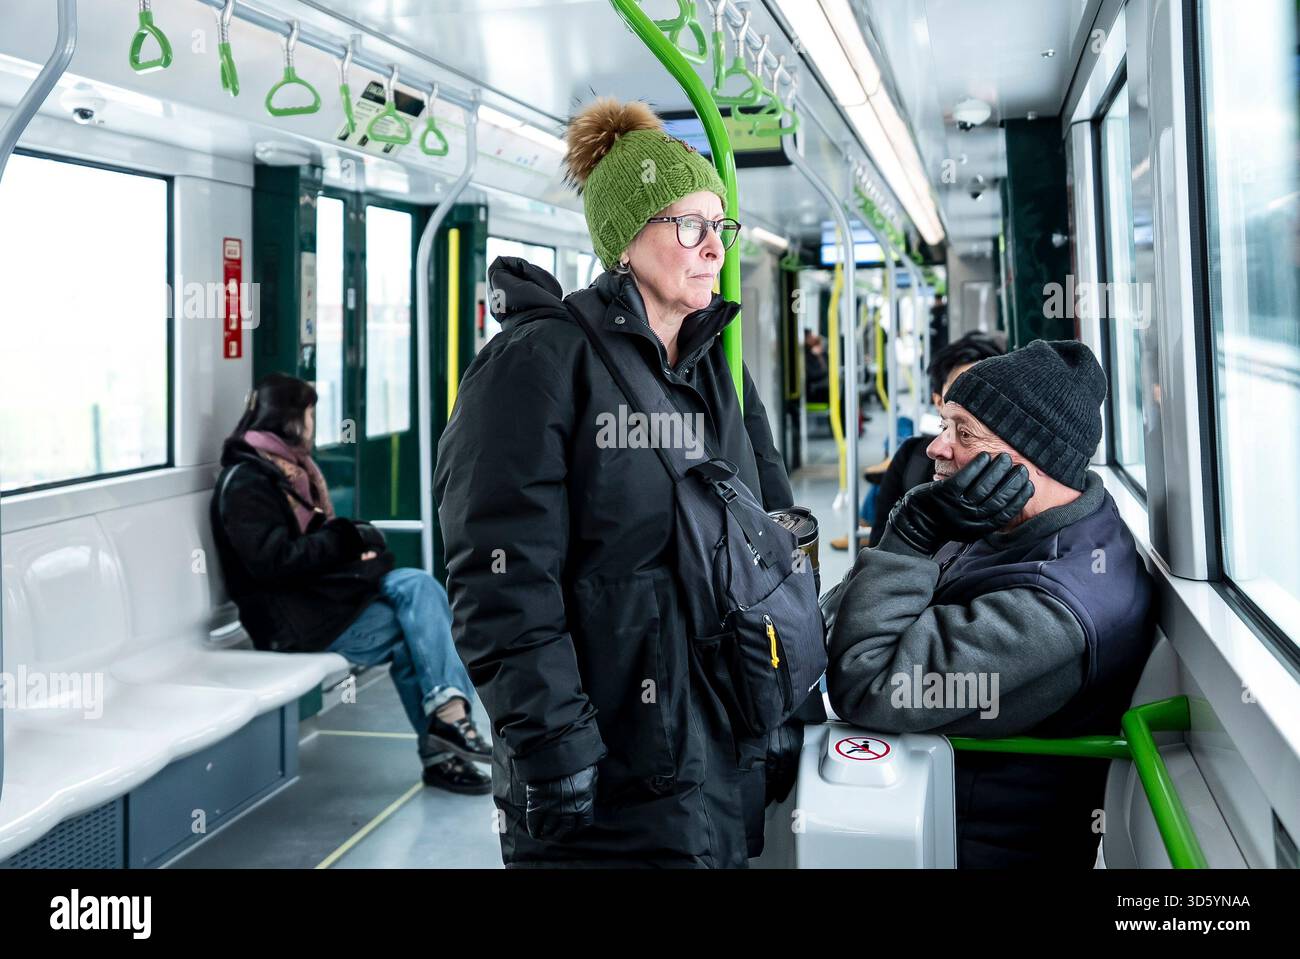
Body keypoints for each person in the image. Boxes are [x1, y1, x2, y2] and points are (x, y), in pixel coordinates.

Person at [435, 98, 798, 867]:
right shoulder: (539, 365)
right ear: (626, 241)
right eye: (688, 224)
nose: (713, 248)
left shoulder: (717, 370)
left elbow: (769, 530)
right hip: (608, 762)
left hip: (718, 745)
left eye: (721, 226)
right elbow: (499, 573)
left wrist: (781, 696)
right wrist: (554, 740)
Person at [825, 340, 1154, 867]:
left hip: (967, 845)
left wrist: (911, 538)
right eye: (943, 425)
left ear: (1032, 458)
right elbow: (830, 616)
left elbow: (864, 683)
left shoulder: (1056, 608)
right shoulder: (1004, 519)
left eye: (964, 432)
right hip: (924, 803)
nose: (936, 447)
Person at [210, 373, 492, 795]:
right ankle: (447, 732)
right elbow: (274, 563)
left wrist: (348, 539)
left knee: (416, 586)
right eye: (308, 415)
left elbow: (310, 542)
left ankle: (448, 724)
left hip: (318, 605)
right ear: (289, 420)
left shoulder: (285, 470)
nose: (311, 426)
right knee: (413, 630)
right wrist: (345, 539)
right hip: (290, 623)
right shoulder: (248, 482)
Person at [830, 331, 1005, 551]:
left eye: (984, 391)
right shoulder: (913, 459)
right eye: (960, 390)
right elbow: (880, 553)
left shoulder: (1016, 471)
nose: (972, 402)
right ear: (939, 401)